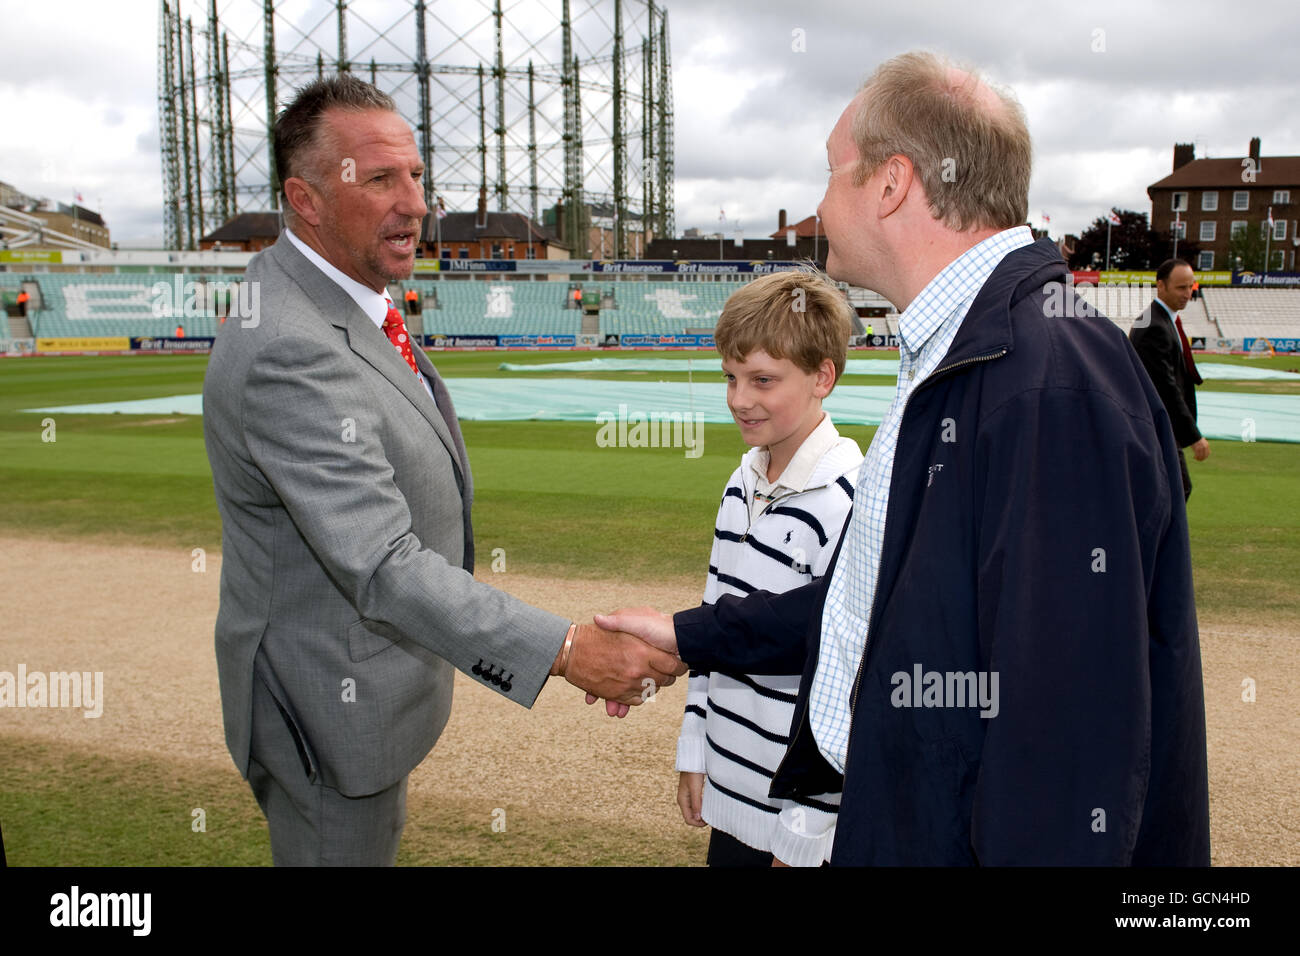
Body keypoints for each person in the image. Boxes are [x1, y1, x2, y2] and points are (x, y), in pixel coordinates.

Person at [596, 50, 1210, 865]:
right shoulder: (967, 358)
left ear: (891, 184)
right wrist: (687, 635)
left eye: (830, 173)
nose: (817, 204)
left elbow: (1065, 744)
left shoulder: (1046, 386)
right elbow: (875, 613)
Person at [202, 75, 683, 866]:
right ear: (307, 199)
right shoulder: (290, 343)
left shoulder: (348, 298)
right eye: (382, 178)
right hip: (322, 713)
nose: (416, 204)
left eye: (417, 176)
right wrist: (566, 650)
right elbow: (384, 564)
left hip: (356, 692)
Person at [676, 270, 862, 867]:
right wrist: (694, 749)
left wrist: (806, 831)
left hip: (792, 821)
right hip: (729, 794)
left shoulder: (846, 498)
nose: (739, 399)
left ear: (822, 377)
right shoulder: (741, 482)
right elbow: (714, 623)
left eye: (762, 380)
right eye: (730, 377)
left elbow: (842, 683)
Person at [1130, 259, 1208, 500]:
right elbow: (1167, 388)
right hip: (1157, 426)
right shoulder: (1155, 326)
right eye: (1181, 288)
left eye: (1190, 288)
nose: (1187, 294)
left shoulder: (1165, 321)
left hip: (1161, 426)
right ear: (1160, 286)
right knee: (1176, 490)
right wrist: (1193, 435)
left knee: (1168, 492)